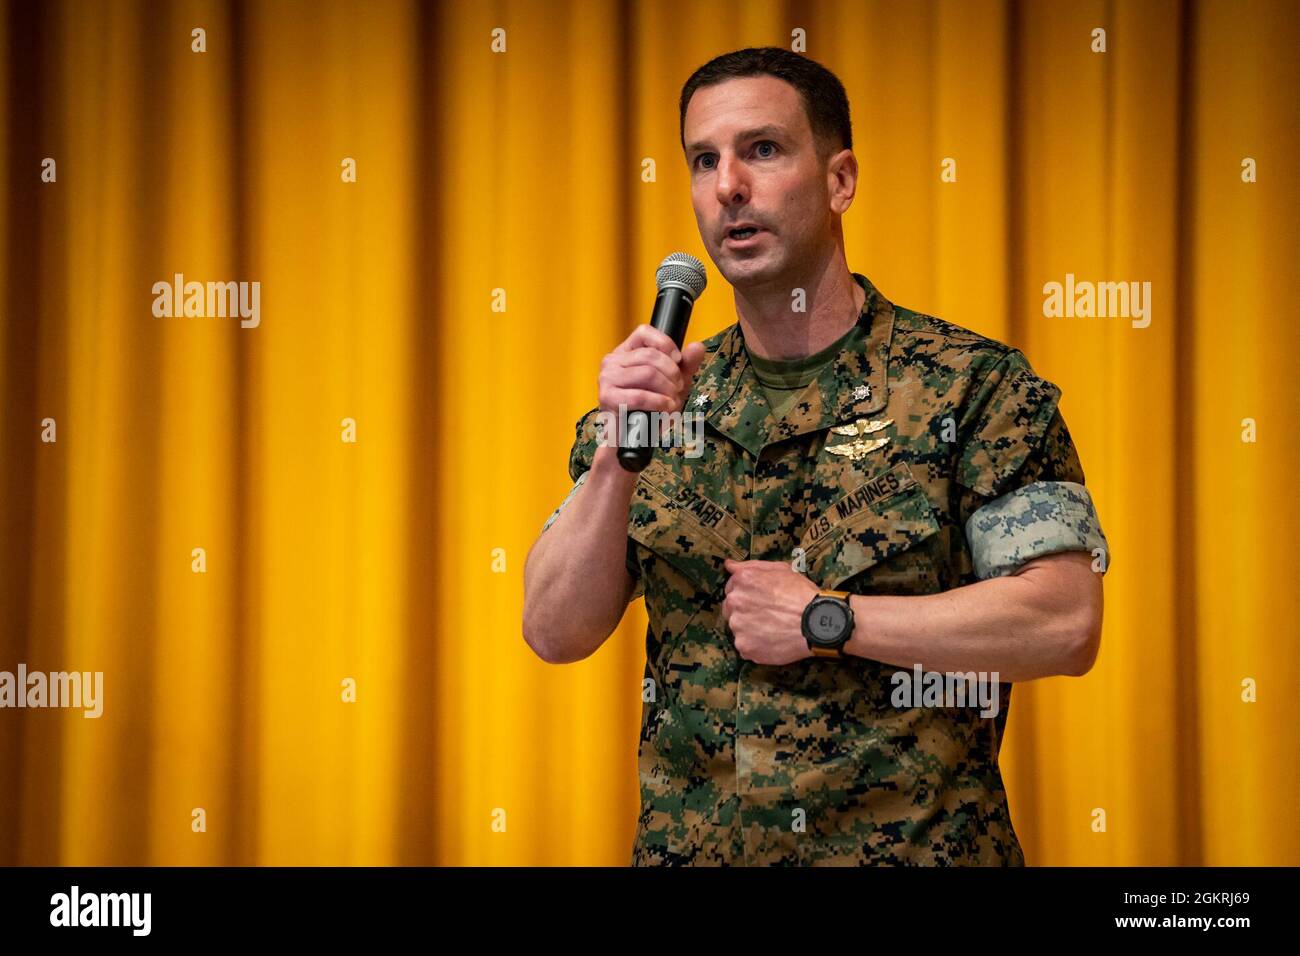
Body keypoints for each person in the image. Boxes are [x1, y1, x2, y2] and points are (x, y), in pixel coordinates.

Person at [522, 46, 1109, 865]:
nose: (728, 185)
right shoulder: (657, 407)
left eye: (762, 150)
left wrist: (826, 620)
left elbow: (1063, 622)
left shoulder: (970, 388)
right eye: (704, 160)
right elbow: (554, 630)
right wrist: (622, 456)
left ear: (839, 180)